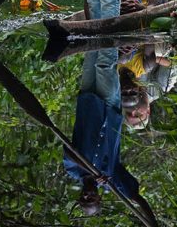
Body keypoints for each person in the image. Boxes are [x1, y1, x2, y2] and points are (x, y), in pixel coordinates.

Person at [63, 48, 158, 225]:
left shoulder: (73, 170)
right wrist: (153, 223)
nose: (86, 195)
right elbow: (137, 198)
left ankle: (97, 24)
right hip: (109, 107)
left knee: (92, 51)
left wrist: (87, 167)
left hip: (87, 102)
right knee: (106, 61)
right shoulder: (111, 177)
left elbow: (69, 152)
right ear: (99, 198)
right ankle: (109, 22)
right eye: (91, 199)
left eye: (83, 199)